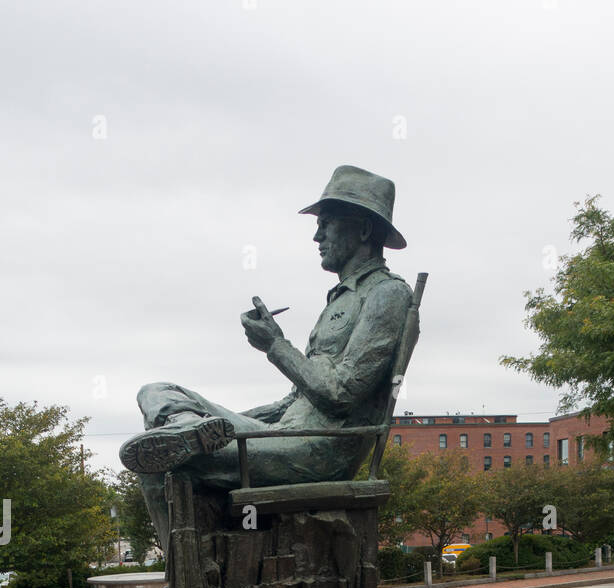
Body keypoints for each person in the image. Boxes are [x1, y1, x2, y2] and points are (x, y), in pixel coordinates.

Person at [119, 166, 412, 551]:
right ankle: (188, 429)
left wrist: (276, 345)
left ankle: (188, 585)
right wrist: (224, 420)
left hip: (321, 450)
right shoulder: (340, 298)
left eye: (327, 224)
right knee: (156, 390)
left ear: (362, 230)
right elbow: (294, 401)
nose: (317, 235)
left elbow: (340, 394)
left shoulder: (387, 295)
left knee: (161, 462)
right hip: (285, 432)